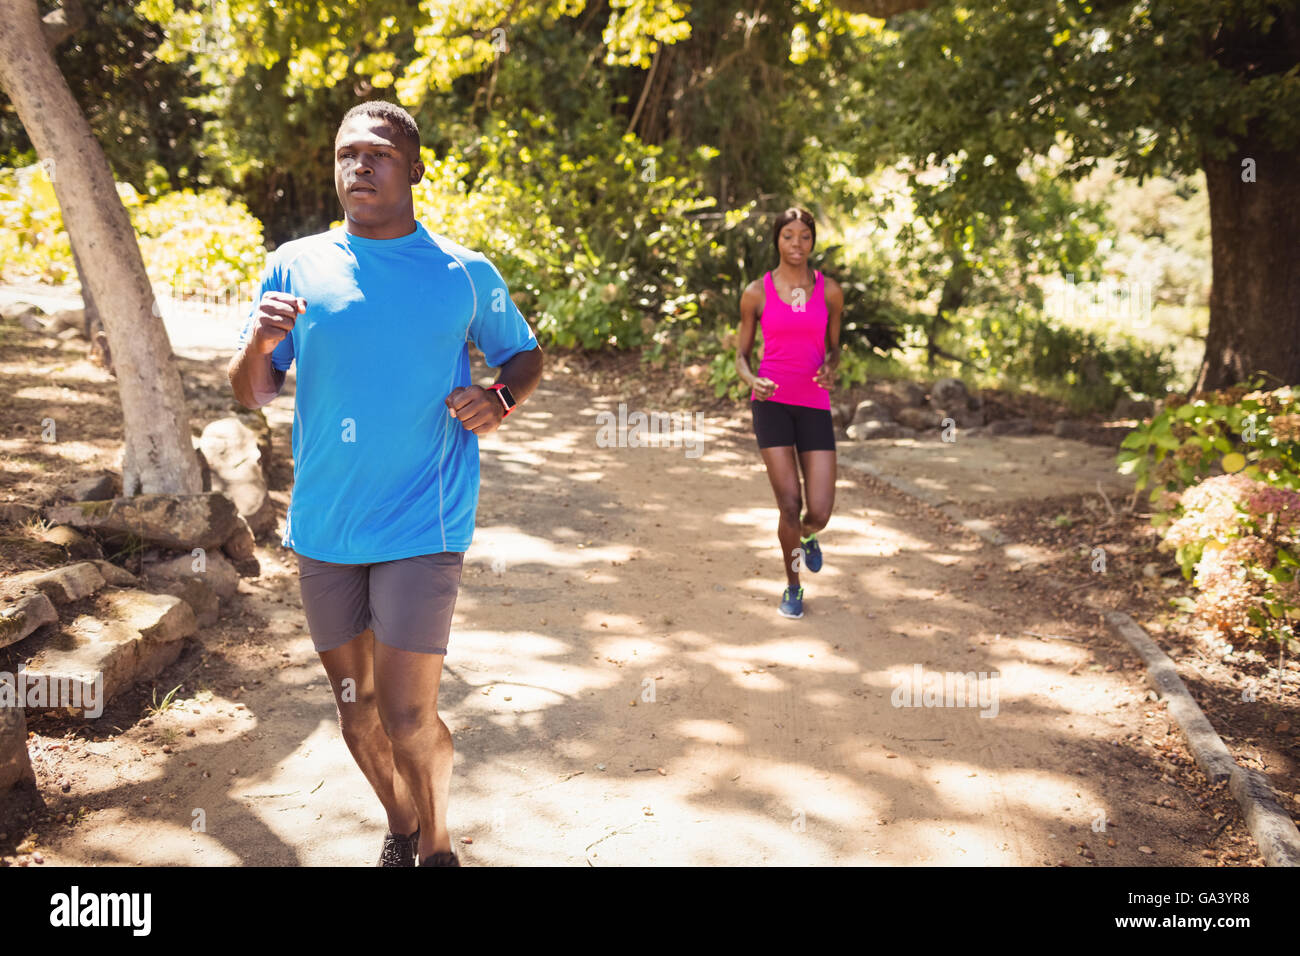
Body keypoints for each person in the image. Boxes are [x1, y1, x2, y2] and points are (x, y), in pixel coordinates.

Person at [227, 100, 544, 866]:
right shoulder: (295, 264)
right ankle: (400, 827)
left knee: (405, 716)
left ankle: (436, 849)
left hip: (422, 521)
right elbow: (251, 391)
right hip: (327, 526)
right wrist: (266, 341)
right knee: (356, 714)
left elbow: (524, 357)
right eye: (345, 155)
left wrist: (497, 399)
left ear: (413, 168)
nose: (358, 167)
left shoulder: (463, 274)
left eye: (376, 154)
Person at [734, 207, 842, 618]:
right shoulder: (756, 293)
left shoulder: (829, 291)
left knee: (819, 511)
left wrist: (832, 367)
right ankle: (793, 586)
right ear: (777, 240)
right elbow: (741, 356)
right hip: (772, 403)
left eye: (805, 237)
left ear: (813, 242)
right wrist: (751, 381)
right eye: (788, 236)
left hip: (814, 404)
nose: (797, 245)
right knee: (789, 503)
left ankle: (809, 536)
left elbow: (835, 348)